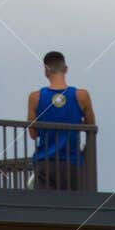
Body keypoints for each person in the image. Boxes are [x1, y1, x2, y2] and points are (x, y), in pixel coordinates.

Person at [27, 51, 95, 190]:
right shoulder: (82, 96)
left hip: (45, 162)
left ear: (46, 71)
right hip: (72, 163)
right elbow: (91, 128)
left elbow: (33, 134)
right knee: (75, 208)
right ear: (66, 69)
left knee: (45, 207)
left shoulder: (35, 97)